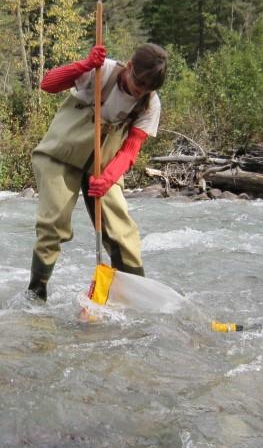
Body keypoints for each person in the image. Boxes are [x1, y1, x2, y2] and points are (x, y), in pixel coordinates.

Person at [27, 42, 168, 302]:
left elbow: (129, 151)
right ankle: (36, 294)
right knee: (53, 226)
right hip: (60, 156)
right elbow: (48, 84)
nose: (141, 91)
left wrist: (107, 180)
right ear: (130, 65)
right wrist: (85, 65)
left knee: (123, 234)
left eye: (148, 88)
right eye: (139, 82)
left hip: (104, 167)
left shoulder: (150, 104)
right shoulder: (101, 71)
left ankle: (134, 297)